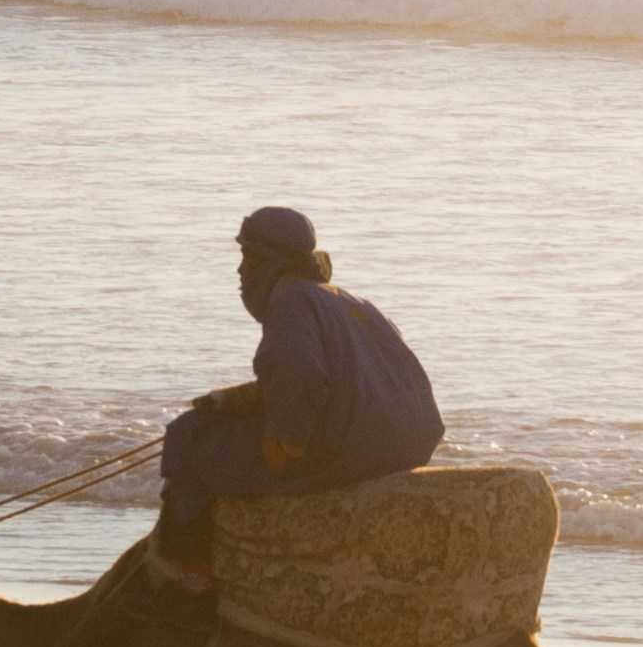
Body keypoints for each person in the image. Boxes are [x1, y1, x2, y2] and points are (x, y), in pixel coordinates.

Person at [154, 204, 444, 583]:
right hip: (405, 448)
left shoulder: (290, 300)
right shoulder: (353, 303)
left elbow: (300, 374)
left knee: (187, 435)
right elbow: (338, 380)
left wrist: (289, 445)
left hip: (345, 455)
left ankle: (189, 576)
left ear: (269, 261)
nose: (240, 270)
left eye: (247, 258)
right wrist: (230, 402)